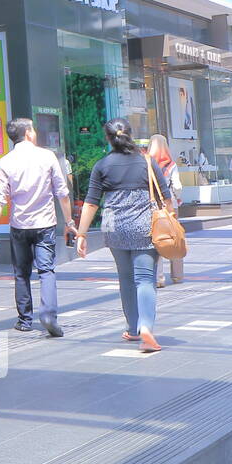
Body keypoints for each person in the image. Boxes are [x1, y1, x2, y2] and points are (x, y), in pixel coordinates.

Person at [74, 118, 170, 354]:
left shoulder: (102, 165)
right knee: (145, 278)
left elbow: (91, 203)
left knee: (126, 278)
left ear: (108, 138)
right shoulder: (147, 162)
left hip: (114, 228)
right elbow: (165, 197)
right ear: (130, 134)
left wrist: (82, 234)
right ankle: (146, 327)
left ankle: (133, 327)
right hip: (143, 226)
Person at [0, 117, 74, 336]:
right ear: (28, 133)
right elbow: (62, 193)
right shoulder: (47, 156)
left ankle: (25, 320)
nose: (35, 132)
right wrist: (70, 222)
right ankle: (48, 315)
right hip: (45, 224)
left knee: (21, 273)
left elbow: (0, 199)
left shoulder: (5, 161)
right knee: (46, 270)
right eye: (33, 129)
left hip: (19, 225)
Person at [147, 134, 184, 288]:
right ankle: (177, 275)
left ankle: (158, 278)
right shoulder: (171, 164)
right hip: (170, 205)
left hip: (152, 206)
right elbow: (177, 186)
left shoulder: (146, 162)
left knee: (158, 238)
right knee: (174, 236)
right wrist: (177, 197)